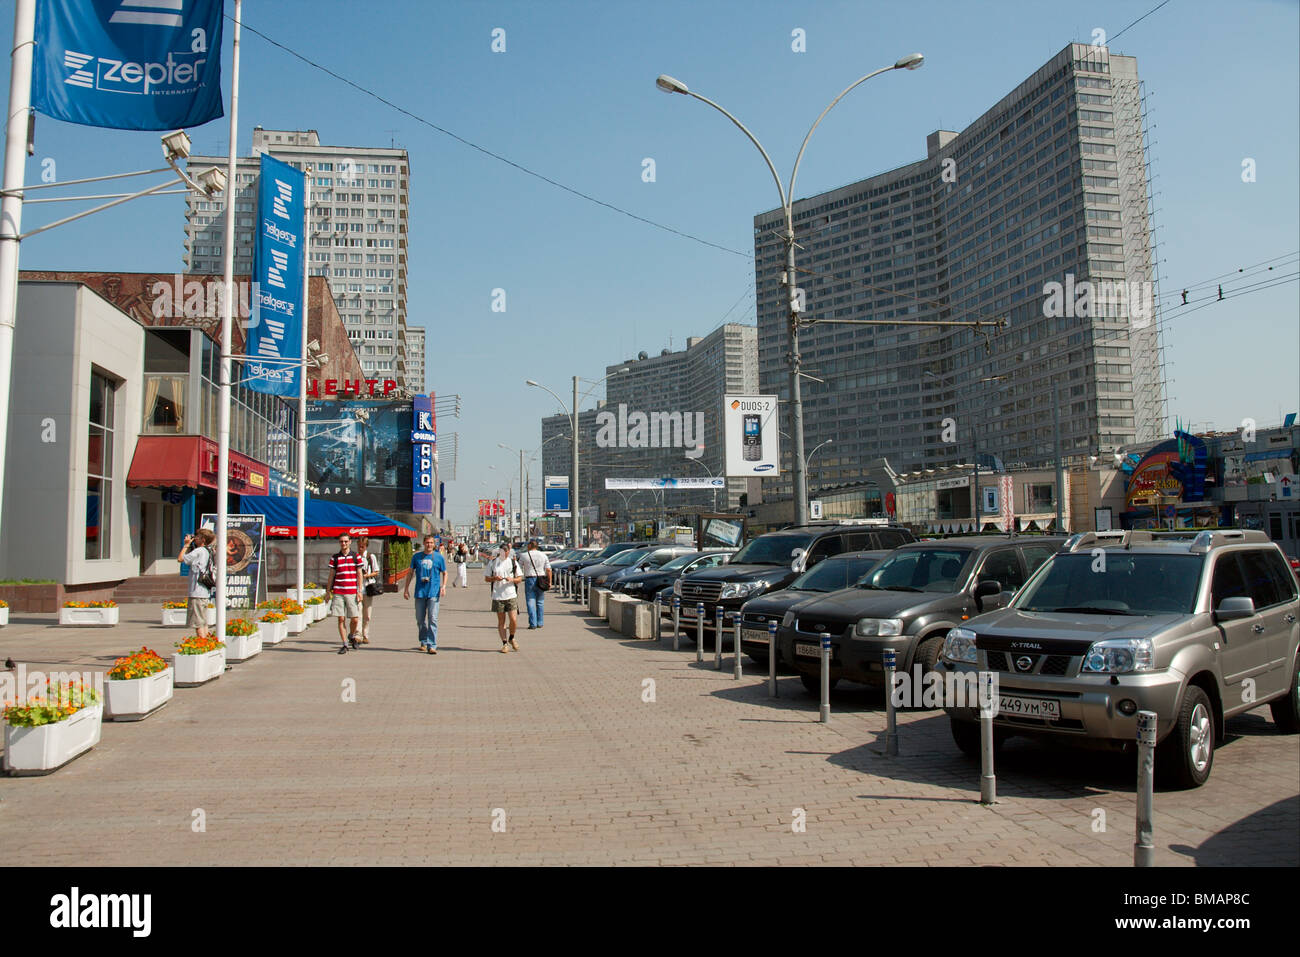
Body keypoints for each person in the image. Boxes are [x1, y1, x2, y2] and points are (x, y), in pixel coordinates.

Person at [403, 534, 446, 654]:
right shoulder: (416, 557)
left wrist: (444, 586)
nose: (429, 545)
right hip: (420, 592)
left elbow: (445, 573)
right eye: (427, 543)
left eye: (431, 543)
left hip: (433, 593)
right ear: (424, 543)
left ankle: (432, 645)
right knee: (420, 619)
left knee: (433, 618)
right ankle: (423, 640)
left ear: (434, 544)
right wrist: (406, 589)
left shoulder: (439, 557)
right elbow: (410, 573)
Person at [327, 533, 365, 654]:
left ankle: (351, 635)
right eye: (341, 542)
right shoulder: (335, 558)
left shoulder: (356, 557)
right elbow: (331, 575)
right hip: (338, 591)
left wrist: (359, 591)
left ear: (350, 542)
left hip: (351, 592)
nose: (343, 544)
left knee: (354, 619)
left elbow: (359, 575)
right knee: (341, 619)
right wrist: (328, 592)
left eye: (345, 541)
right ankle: (344, 644)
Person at [485, 542, 523, 653]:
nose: (504, 554)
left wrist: (512, 579)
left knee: (513, 619)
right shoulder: (493, 563)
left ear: (508, 552)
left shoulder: (513, 562)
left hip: (511, 594)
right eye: (502, 551)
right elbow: (486, 578)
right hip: (498, 595)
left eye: (506, 552)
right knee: (501, 621)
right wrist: (494, 578)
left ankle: (511, 637)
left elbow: (520, 578)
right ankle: (504, 643)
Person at [177, 528, 215, 639]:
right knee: (203, 621)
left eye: (197, 537)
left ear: (203, 539)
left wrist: (186, 545)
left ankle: (202, 645)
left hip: (196, 591)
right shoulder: (209, 551)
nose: (194, 539)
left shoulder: (199, 551)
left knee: (198, 622)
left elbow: (180, 558)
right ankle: (208, 643)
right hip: (204, 592)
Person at [520, 540, 552, 630]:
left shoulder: (524, 555)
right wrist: (549, 582)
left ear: (530, 545)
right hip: (541, 579)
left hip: (529, 579)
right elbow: (549, 570)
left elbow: (518, 568)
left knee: (530, 601)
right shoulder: (543, 555)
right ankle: (540, 622)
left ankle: (532, 623)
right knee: (540, 602)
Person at [356, 535, 381, 644]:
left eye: (362, 547)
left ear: (366, 546)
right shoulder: (355, 557)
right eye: (359, 546)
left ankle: (365, 634)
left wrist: (366, 575)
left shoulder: (371, 557)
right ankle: (358, 635)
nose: (360, 549)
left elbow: (376, 571)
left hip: (368, 588)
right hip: (357, 589)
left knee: (367, 615)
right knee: (357, 613)